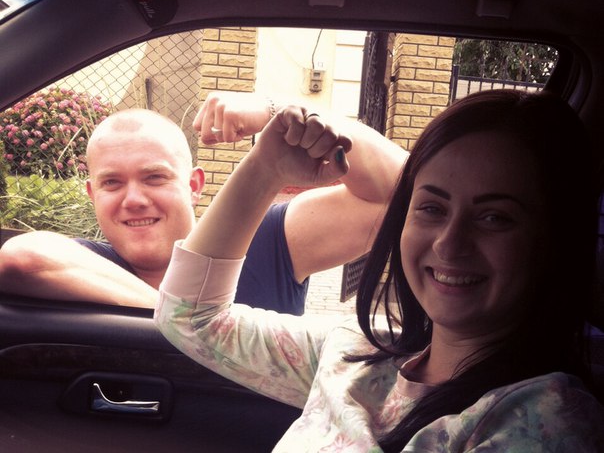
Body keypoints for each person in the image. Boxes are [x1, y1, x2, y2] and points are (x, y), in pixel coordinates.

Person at [154, 89, 604, 451]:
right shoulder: (356, 351)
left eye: (494, 217)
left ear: (554, 241)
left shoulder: (542, 420)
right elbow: (191, 319)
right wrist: (265, 169)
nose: (449, 242)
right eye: (431, 208)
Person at [0, 93, 407, 312]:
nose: (134, 199)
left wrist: (277, 109)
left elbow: (403, 192)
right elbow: (23, 258)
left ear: (194, 185)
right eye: (112, 183)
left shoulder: (270, 239)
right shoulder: (92, 265)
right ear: (92, 195)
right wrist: (185, 320)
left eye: (154, 177)